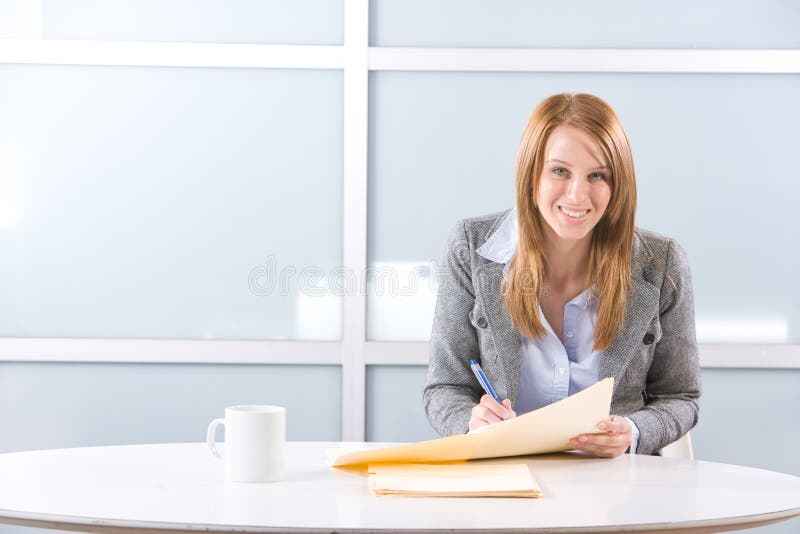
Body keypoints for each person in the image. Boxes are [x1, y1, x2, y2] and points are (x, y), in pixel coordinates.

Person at [424, 93, 700, 457]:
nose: (577, 195)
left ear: (618, 184)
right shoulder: (472, 247)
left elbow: (680, 397)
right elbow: (445, 388)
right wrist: (472, 423)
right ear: (531, 174)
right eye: (559, 171)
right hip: (506, 476)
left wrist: (632, 432)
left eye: (597, 175)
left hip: (614, 482)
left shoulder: (661, 263)